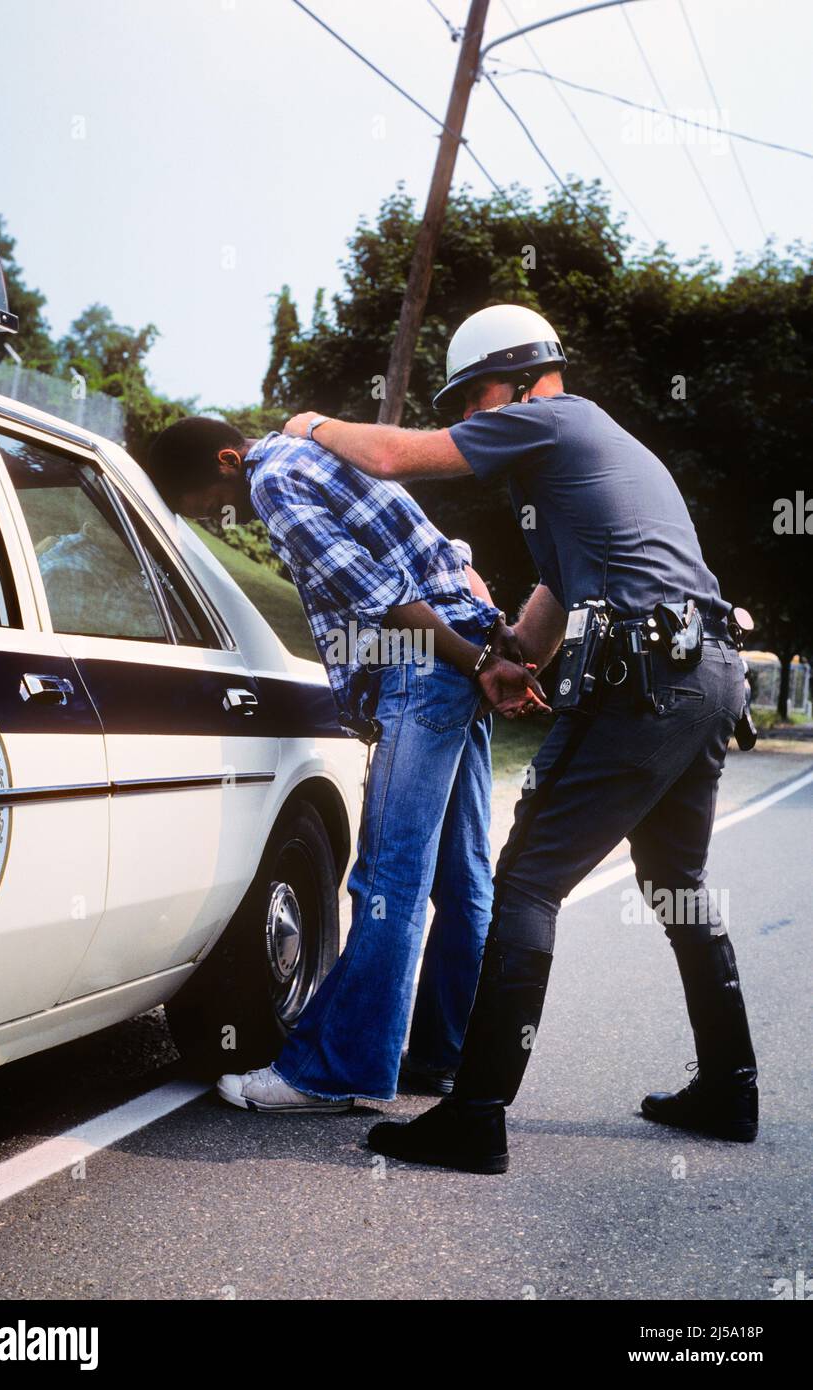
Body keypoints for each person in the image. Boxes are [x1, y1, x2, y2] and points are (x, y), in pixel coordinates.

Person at [282, 303, 758, 1173]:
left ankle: (476, 1114)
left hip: (647, 676)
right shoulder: (582, 453)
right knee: (675, 882)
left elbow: (391, 455)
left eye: (475, 397)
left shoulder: (553, 419)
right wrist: (509, 659)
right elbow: (555, 589)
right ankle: (730, 1087)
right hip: (710, 670)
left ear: (525, 378)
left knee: (527, 880)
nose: (469, 417)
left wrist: (308, 423)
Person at [144, 416, 546, 1114]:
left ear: (227, 459)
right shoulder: (320, 451)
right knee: (462, 877)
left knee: (388, 876)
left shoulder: (272, 480)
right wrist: (489, 646)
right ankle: (441, 1058)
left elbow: (382, 599)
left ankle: (336, 1070)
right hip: (459, 653)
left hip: (428, 667)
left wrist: (477, 661)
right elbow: (449, 558)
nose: (223, 518)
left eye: (210, 504)